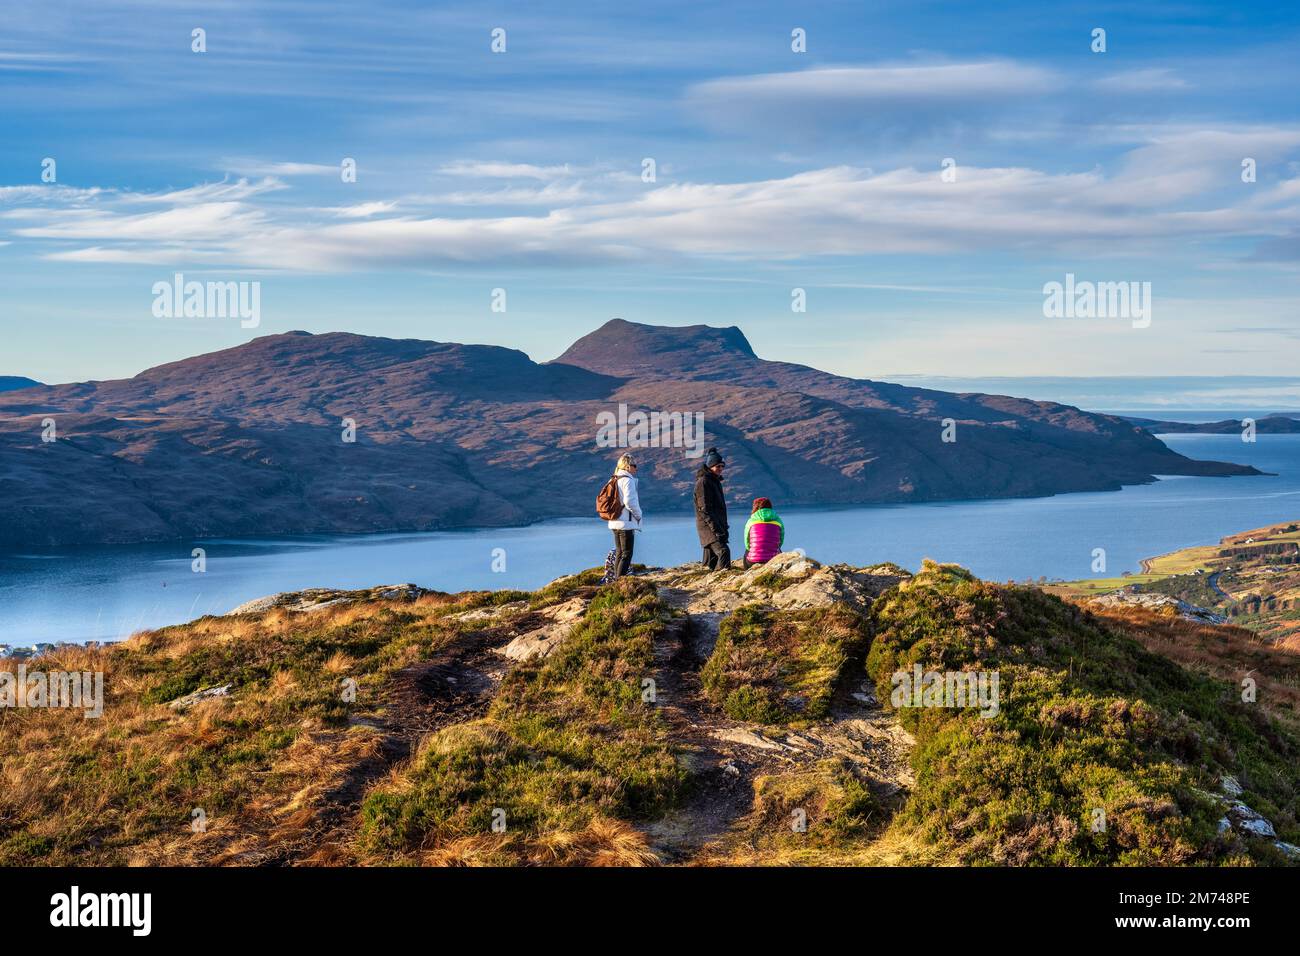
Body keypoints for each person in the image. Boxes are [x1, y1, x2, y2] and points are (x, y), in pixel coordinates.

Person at [606, 453, 642, 578]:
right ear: (627, 466)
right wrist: (638, 515)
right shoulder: (627, 480)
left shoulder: (613, 479)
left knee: (620, 553)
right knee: (626, 553)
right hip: (625, 523)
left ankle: (617, 581)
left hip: (614, 521)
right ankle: (620, 582)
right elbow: (630, 502)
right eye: (634, 465)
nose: (636, 468)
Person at [694, 447, 730, 570]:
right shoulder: (704, 482)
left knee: (711, 561)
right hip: (709, 527)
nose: (720, 469)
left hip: (715, 526)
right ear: (710, 466)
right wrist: (717, 529)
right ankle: (723, 581)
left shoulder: (714, 481)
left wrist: (723, 527)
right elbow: (705, 509)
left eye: (722, 466)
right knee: (723, 552)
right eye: (717, 466)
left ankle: (706, 581)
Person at [743, 497, 785, 569]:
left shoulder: (751, 521)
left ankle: (747, 571)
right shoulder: (778, 520)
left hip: (753, 561)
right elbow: (780, 541)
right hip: (773, 559)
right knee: (779, 550)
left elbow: (747, 542)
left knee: (746, 552)